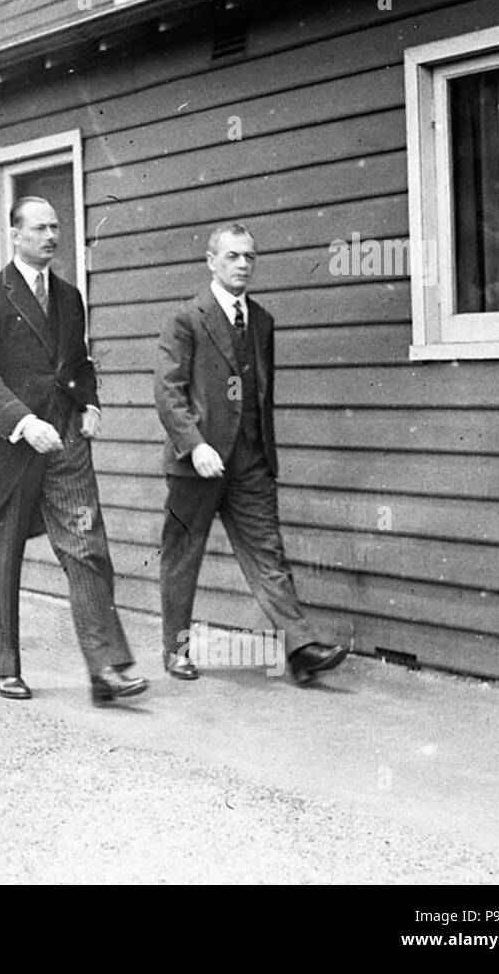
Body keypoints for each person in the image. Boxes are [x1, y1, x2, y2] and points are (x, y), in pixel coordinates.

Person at [0, 197, 148, 704]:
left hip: (65, 440)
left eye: (55, 226)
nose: (50, 235)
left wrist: (89, 403)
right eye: (39, 228)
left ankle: (106, 669)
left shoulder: (68, 297)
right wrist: (23, 421)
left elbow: (78, 362)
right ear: (15, 235)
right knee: (3, 557)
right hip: (12, 446)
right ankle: (3, 667)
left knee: (87, 549)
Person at [154, 223, 349, 685]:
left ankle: (300, 650)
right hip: (196, 462)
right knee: (183, 555)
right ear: (211, 261)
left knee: (268, 554)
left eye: (249, 257)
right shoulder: (187, 319)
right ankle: (175, 650)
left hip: (250, 461)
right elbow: (167, 391)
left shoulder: (261, 321)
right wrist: (194, 444)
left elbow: (261, 393)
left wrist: (260, 451)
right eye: (233, 256)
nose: (243, 265)